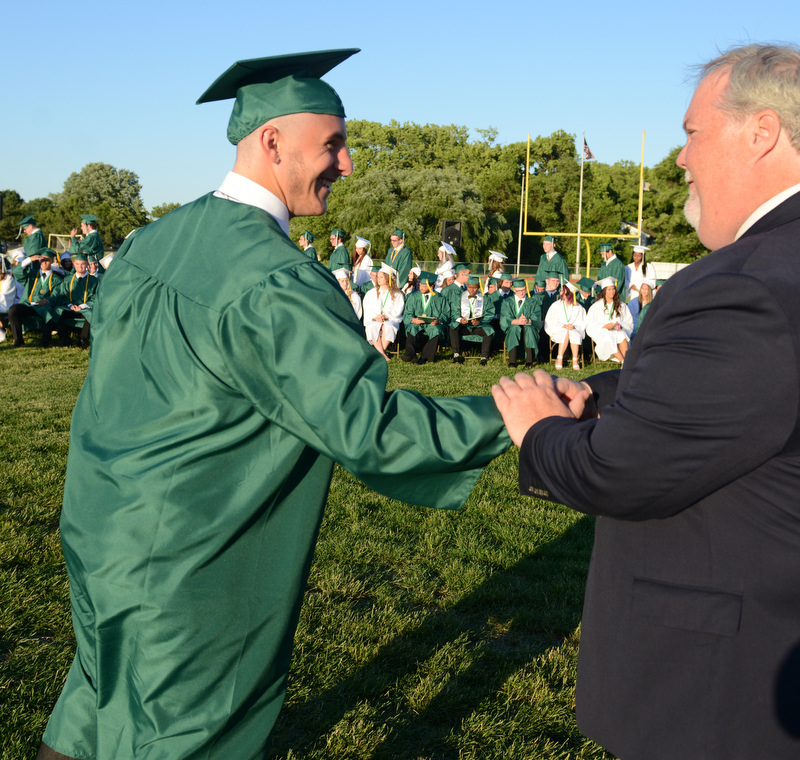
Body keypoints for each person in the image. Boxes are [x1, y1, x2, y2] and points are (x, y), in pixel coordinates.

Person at [38, 49, 511, 760]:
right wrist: (512, 413)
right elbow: (367, 428)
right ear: (272, 141)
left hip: (103, 525)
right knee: (187, 731)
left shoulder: (149, 243)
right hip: (196, 555)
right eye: (334, 144)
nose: (347, 164)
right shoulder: (275, 279)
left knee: (100, 698)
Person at [491, 43, 800, 760]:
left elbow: (618, 473)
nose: (682, 158)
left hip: (753, 696)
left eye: (691, 133)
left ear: (761, 131)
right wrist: (598, 391)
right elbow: (763, 387)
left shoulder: (753, 282)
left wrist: (541, 431)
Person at [10, 247, 63, 347]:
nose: (44, 262)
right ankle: (18, 339)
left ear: (52, 261)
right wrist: (29, 259)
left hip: (44, 306)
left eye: (47, 259)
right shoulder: (32, 274)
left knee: (47, 311)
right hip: (29, 304)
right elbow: (16, 272)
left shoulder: (57, 279)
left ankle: (45, 341)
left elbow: (58, 294)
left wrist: (46, 300)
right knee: (13, 310)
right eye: (42, 259)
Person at [51, 253, 100, 348]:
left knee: (91, 313)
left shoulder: (94, 281)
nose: (80, 266)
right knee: (58, 310)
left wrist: (82, 306)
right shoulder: (67, 280)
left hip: (85, 308)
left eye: (82, 264)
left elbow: (96, 297)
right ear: (74, 265)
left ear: (87, 265)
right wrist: (70, 305)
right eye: (77, 264)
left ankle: (83, 339)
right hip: (70, 307)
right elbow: (62, 295)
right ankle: (65, 338)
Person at [450, 274, 495, 365]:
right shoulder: (459, 297)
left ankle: (484, 357)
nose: (471, 290)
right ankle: (456, 355)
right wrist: (460, 319)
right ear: (467, 286)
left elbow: (489, 313)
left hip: (478, 326)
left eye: (474, 288)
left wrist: (479, 322)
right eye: (469, 287)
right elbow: (454, 312)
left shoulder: (485, 298)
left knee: (489, 330)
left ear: (478, 287)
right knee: (453, 327)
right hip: (464, 326)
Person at [401, 271, 446, 364]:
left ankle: (424, 357)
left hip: (432, 324)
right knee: (412, 327)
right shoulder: (413, 296)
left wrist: (438, 320)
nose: (421, 287)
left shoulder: (439, 298)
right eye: (420, 285)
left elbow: (445, 314)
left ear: (431, 287)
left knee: (436, 330)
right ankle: (410, 354)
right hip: (417, 322)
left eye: (424, 286)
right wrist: (413, 319)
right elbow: (407, 313)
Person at [362, 263, 405, 359]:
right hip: (375, 318)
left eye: (381, 277)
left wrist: (387, 316)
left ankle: (379, 353)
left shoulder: (397, 294)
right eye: (378, 277)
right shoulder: (371, 293)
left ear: (388, 278)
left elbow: (398, 309)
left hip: (391, 318)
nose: (378, 279)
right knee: (372, 326)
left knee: (388, 326)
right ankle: (382, 355)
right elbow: (367, 307)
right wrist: (376, 316)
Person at [585, 276, 631, 363]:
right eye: (609, 289)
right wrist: (605, 326)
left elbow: (628, 321)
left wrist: (619, 325)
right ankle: (624, 362)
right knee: (608, 337)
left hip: (616, 330)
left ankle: (626, 362)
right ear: (604, 291)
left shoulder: (621, 305)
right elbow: (591, 323)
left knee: (622, 335)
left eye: (613, 289)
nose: (612, 292)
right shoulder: (596, 306)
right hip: (601, 331)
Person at [543, 281, 586, 370]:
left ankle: (575, 360)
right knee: (566, 331)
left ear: (569, 294)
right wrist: (562, 326)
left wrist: (574, 326)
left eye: (562, 291)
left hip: (574, 329)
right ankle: (560, 359)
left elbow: (582, 322)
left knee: (572, 332)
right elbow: (550, 320)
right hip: (558, 330)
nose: (560, 293)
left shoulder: (578, 307)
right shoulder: (556, 305)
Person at [499, 278, 541, 368]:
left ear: (526, 288)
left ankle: (529, 361)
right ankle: (512, 361)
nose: (521, 293)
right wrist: (517, 321)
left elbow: (536, 316)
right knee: (514, 328)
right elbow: (505, 317)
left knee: (529, 328)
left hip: (529, 326)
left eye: (523, 290)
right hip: (513, 327)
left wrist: (527, 321)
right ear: (514, 290)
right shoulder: (507, 302)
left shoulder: (533, 302)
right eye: (518, 291)